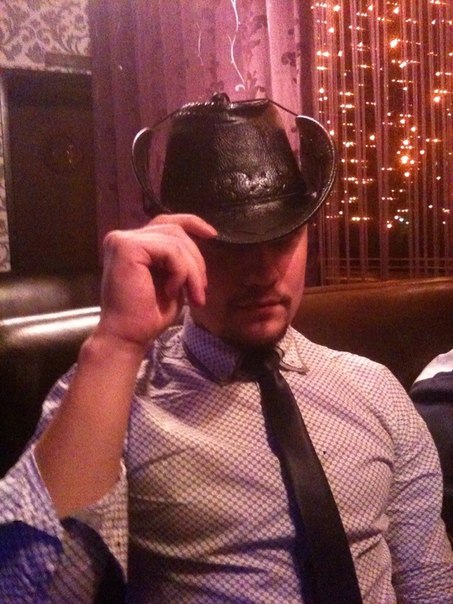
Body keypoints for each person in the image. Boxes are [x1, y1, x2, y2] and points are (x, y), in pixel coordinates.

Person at [1, 93, 452, 604]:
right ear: (176, 243)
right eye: (228, 244)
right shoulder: (116, 396)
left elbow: (430, 585)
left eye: (282, 239)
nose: (263, 273)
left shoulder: (376, 391)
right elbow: (26, 591)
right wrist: (117, 344)